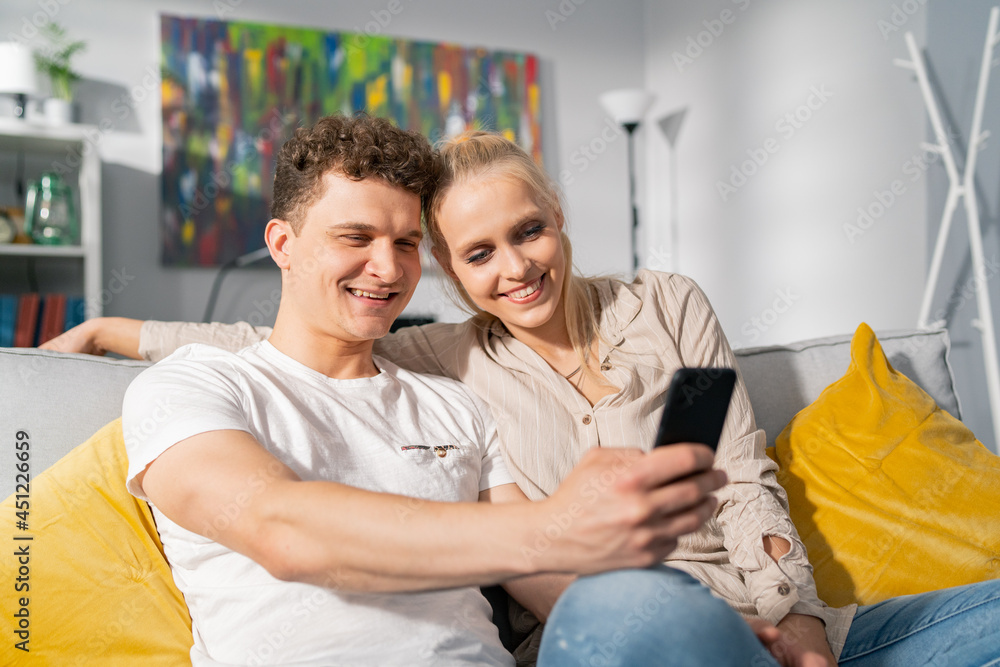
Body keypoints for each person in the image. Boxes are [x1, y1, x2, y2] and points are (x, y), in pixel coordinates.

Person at [50, 130, 1000, 667]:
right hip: (618, 625)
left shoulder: (660, 312)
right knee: (635, 612)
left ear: (559, 219)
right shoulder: (450, 360)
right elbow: (281, 350)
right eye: (477, 254)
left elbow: (734, 471)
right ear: (455, 276)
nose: (515, 267)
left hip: (758, 613)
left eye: (529, 230)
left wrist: (793, 614)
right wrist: (109, 331)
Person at [112, 113, 764, 667]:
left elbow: (547, 579)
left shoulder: (454, 402)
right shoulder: (191, 385)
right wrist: (557, 522)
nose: (387, 267)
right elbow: (283, 531)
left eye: (406, 243)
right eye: (356, 237)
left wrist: (696, 628)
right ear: (283, 243)